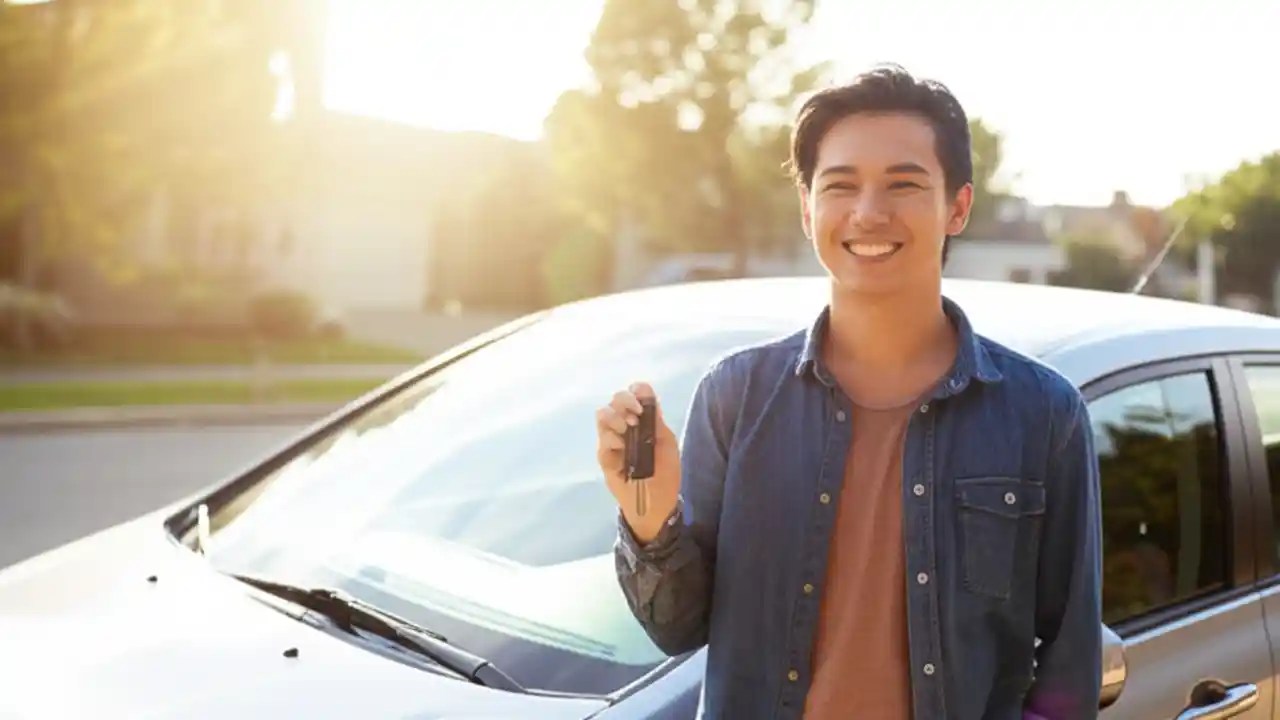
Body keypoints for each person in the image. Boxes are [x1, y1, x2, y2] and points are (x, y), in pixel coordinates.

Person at [594, 64, 1102, 720]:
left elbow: (1069, 668)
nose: (868, 212)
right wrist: (649, 515)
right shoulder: (735, 397)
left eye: (903, 184)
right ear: (807, 210)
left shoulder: (1045, 416)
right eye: (840, 185)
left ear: (958, 206)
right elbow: (677, 629)